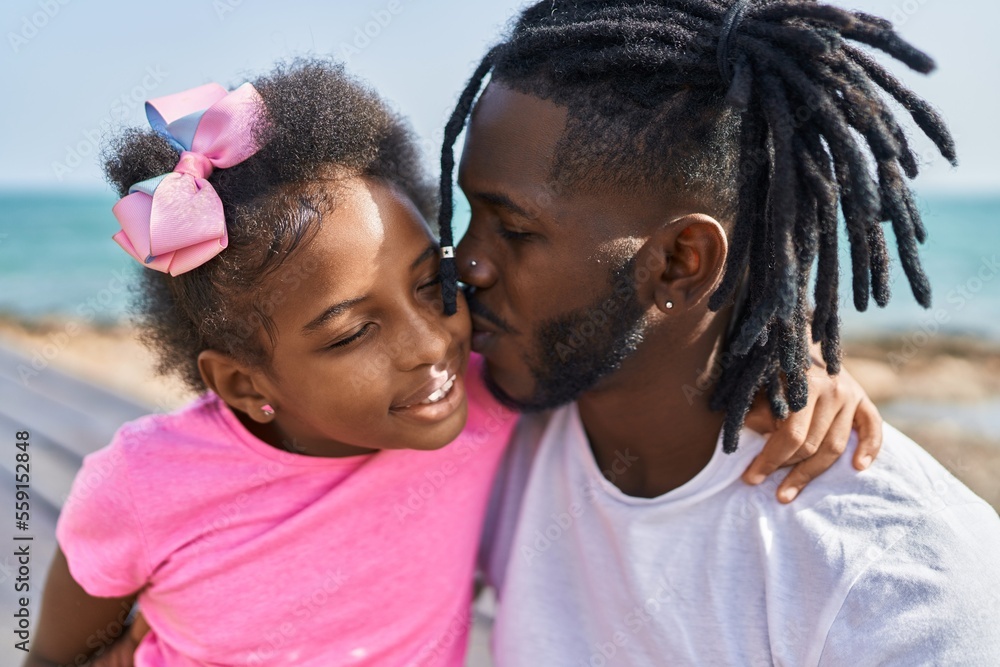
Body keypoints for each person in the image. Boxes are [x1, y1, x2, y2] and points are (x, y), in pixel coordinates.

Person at [26, 58, 877, 667]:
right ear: (244, 384)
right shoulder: (140, 483)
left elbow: (638, 346)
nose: (432, 341)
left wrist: (791, 352)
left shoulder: (483, 403)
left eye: (431, 282)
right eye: (352, 331)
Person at [432, 1, 1000, 664]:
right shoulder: (486, 429)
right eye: (469, 212)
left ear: (680, 263)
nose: (464, 260)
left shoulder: (894, 586)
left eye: (516, 229)